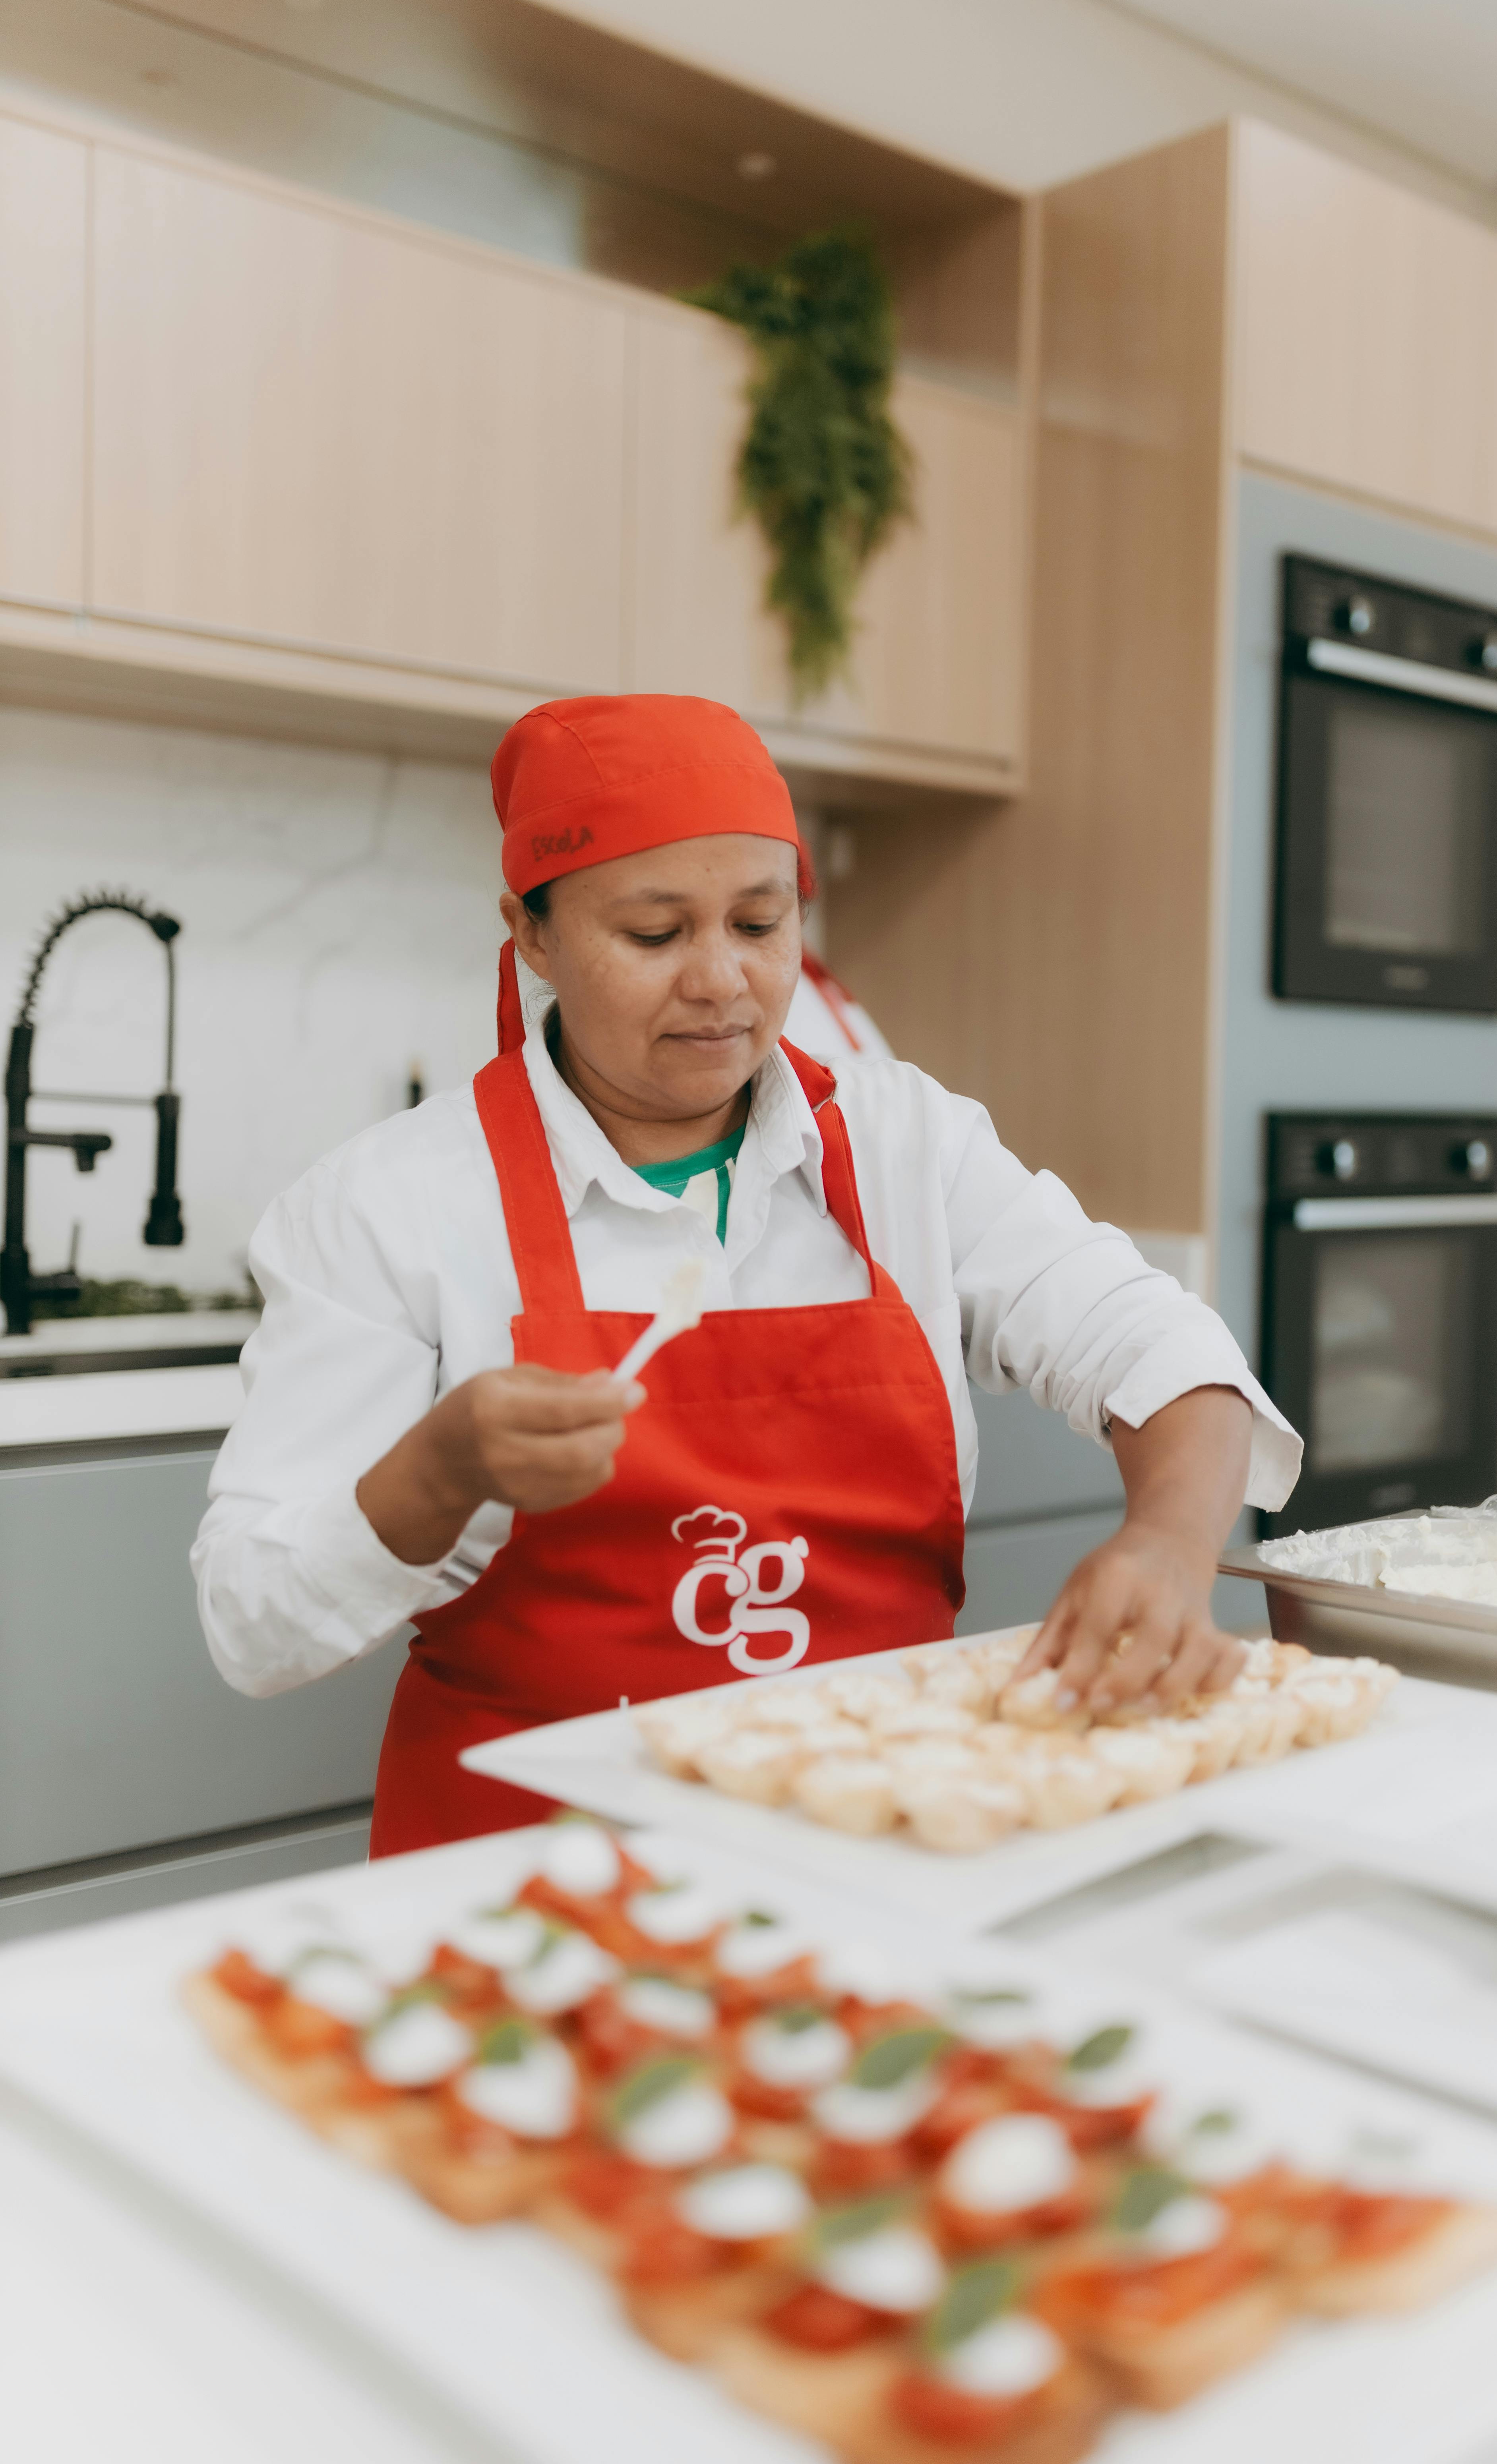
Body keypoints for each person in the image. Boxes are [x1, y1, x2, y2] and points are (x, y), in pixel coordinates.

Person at [194, 694, 1300, 1854]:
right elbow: (251, 1625)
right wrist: (441, 1468)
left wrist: (1169, 1548)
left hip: (882, 1835)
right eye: (657, 936)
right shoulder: (392, 1205)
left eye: (762, 925)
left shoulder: (904, 1146)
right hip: (525, 1870)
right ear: (532, 934)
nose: (722, 981)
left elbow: (1162, 1352)